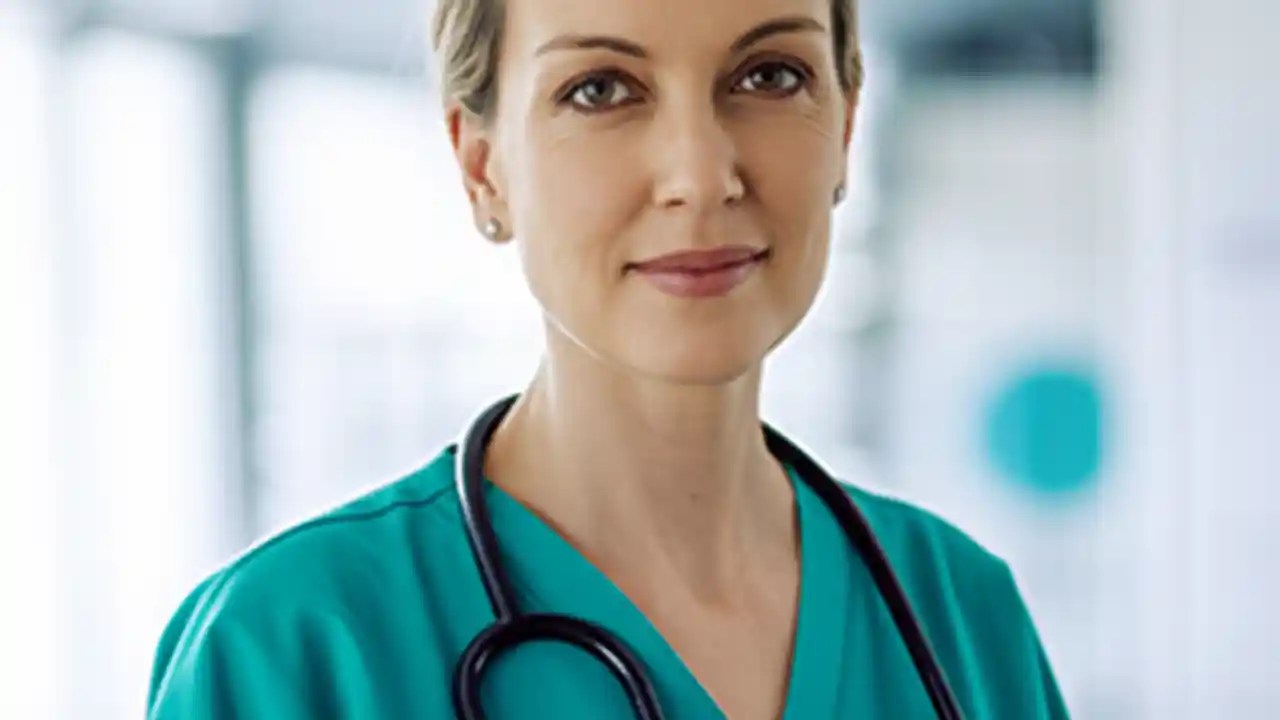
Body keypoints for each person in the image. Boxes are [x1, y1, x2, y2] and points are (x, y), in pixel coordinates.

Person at [147, 0, 1071, 717]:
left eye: (771, 75)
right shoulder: (292, 646)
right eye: (600, 90)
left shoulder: (959, 613)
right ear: (482, 166)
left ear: (846, 128)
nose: (701, 176)